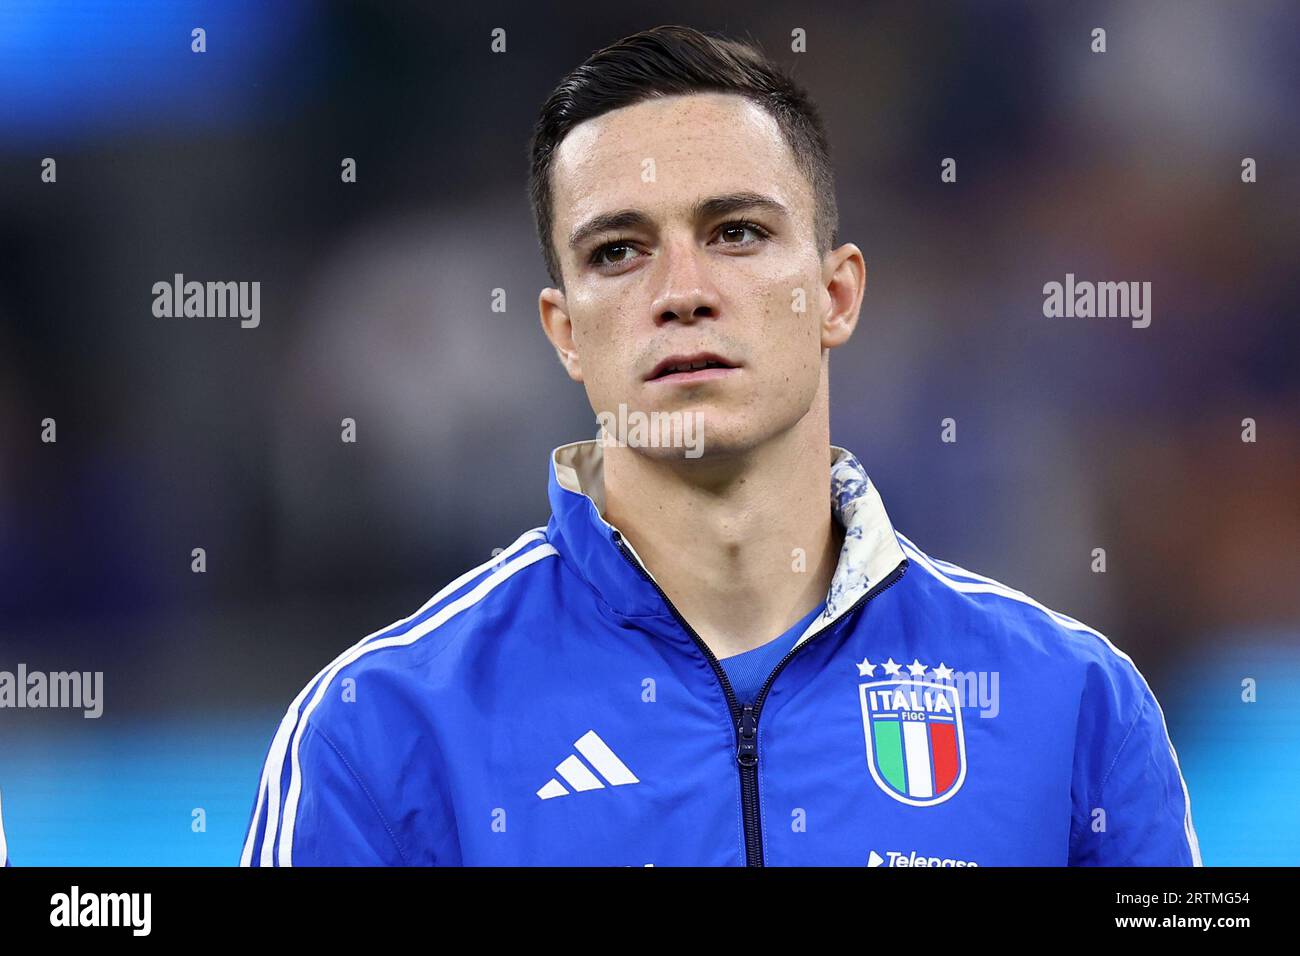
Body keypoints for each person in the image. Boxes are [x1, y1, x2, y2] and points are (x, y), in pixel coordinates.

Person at [241, 24, 1200, 866]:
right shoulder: (381, 732)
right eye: (617, 251)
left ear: (836, 295)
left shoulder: (1073, 706)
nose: (683, 289)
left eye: (736, 232)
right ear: (563, 329)